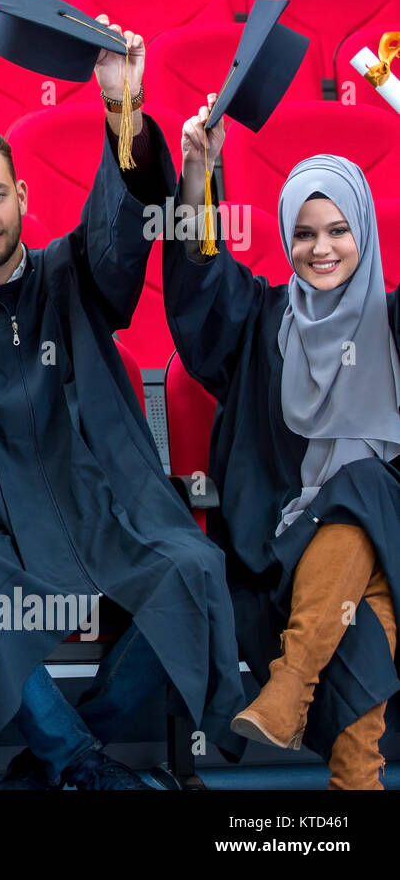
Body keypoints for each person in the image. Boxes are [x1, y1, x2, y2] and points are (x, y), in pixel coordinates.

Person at [0, 16, 246, 789]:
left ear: (22, 192)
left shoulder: (74, 276)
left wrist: (121, 110)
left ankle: (63, 760)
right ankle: (85, 765)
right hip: (1, 532)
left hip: (110, 513)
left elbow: (120, 232)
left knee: (195, 568)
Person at [163, 137, 400, 788]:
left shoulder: (394, 322)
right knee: (361, 583)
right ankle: (358, 778)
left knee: (365, 486)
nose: (321, 249)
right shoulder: (260, 320)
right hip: (285, 543)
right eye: (304, 233)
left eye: (338, 230)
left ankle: (291, 685)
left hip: (393, 528)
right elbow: (200, 279)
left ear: (365, 231)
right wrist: (199, 178)